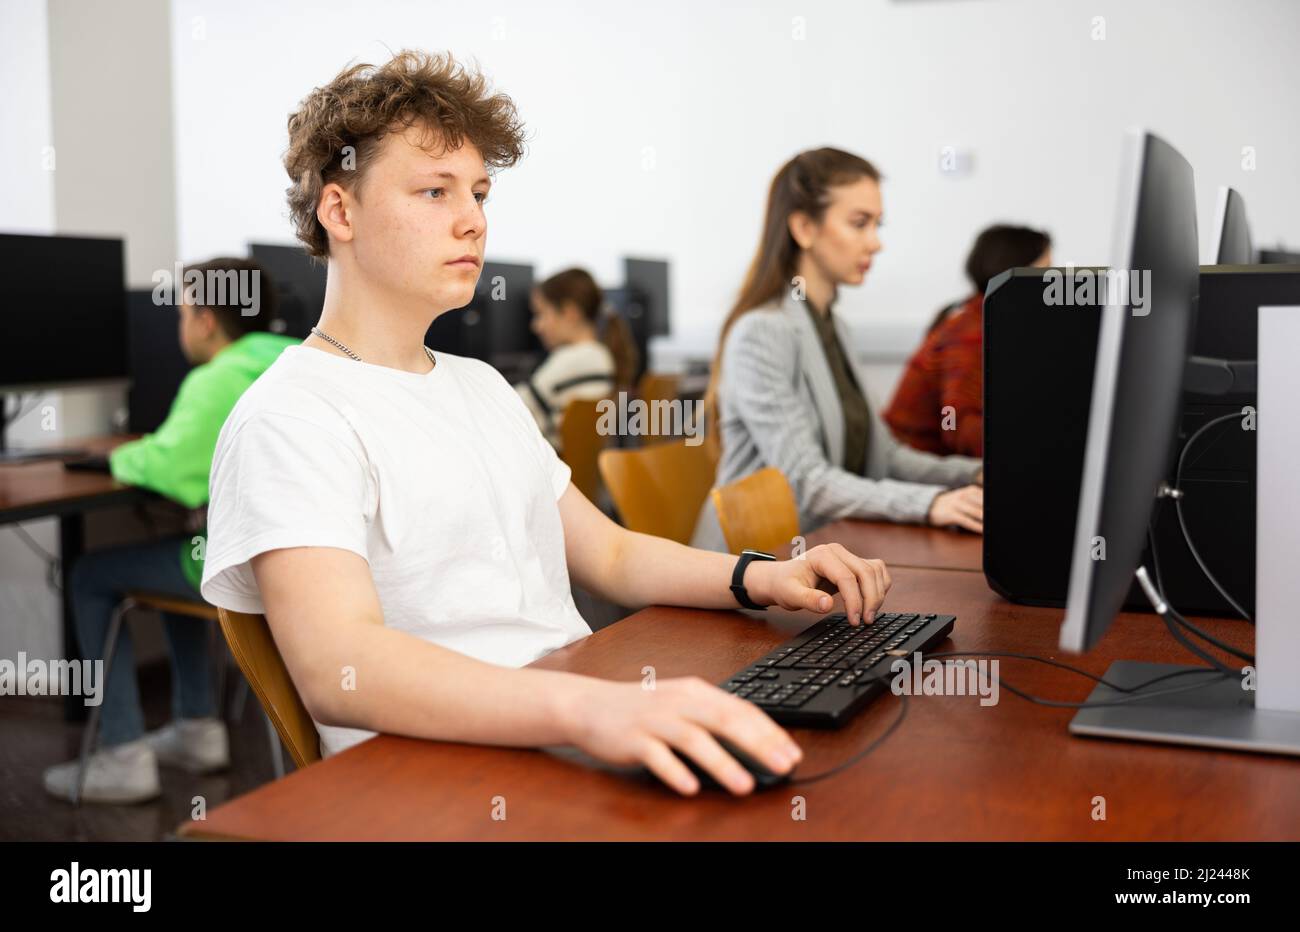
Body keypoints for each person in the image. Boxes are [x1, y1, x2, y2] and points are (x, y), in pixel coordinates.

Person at [198, 50, 895, 798]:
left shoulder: (481, 385)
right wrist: (591, 710)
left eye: (479, 193)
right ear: (340, 211)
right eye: (434, 191)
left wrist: (761, 575)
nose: (472, 220)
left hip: (558, 724)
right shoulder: (290, 414)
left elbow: (613, 557)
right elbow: (344, 668)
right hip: (440, 777)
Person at [43, 257, 297, 804]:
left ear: (204, 320)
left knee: (89, 575)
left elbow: (174, 471)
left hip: (244, 568)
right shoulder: (296, 360)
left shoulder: (219, 377)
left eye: (183, 313)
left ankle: (123, 756)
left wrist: (117, 457)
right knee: (179, 552)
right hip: (299, 564)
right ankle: (196, 730)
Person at [692, 148, 985, 554]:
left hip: (819, 552)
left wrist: (975, 475)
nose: (876, 243)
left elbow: (887, 457)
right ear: (804, 228)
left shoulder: (835, 329)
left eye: (877, 224)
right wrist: (930, 504)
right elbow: (807, 481)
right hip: (752, 566)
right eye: (859, 223)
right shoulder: (761, 332)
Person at [883, 224, 1052, 457]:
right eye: (1045, 270)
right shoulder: (972, 331)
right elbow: (953, 421)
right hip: (913, 469)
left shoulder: (981, 316)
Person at [515, 267, 637, 448]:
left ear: (569, 312)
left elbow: (510, 410)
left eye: (541, 314)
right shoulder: (601, 357)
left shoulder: (571, 360)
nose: (536, 326)